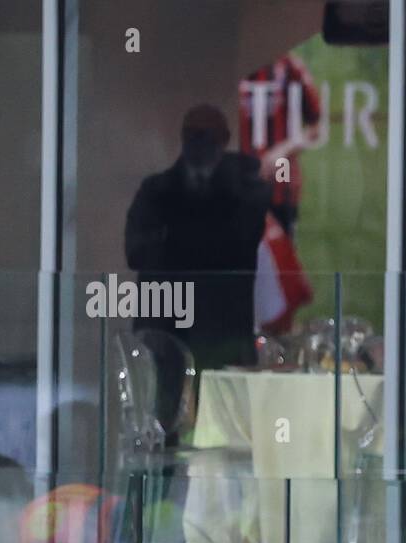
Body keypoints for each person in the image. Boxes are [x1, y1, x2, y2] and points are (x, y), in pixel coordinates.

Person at [125, 104, 271, 371]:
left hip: (223, 332)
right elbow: (136, 252)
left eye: (208, 135)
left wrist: (172, 238)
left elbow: (236, 247)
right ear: (182, 137)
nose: (200, 143)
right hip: (166, 328)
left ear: (224, 139)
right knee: (167, 407)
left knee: (224, 409)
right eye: (193, 134)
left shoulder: (246, 192)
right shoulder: (156, 190)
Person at [238, 53, 323, 237]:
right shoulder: (231, 64)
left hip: (281, 169)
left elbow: (316, 125)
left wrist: (282, 151)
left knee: (280, 245)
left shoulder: (289, 67)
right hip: (240, 179)